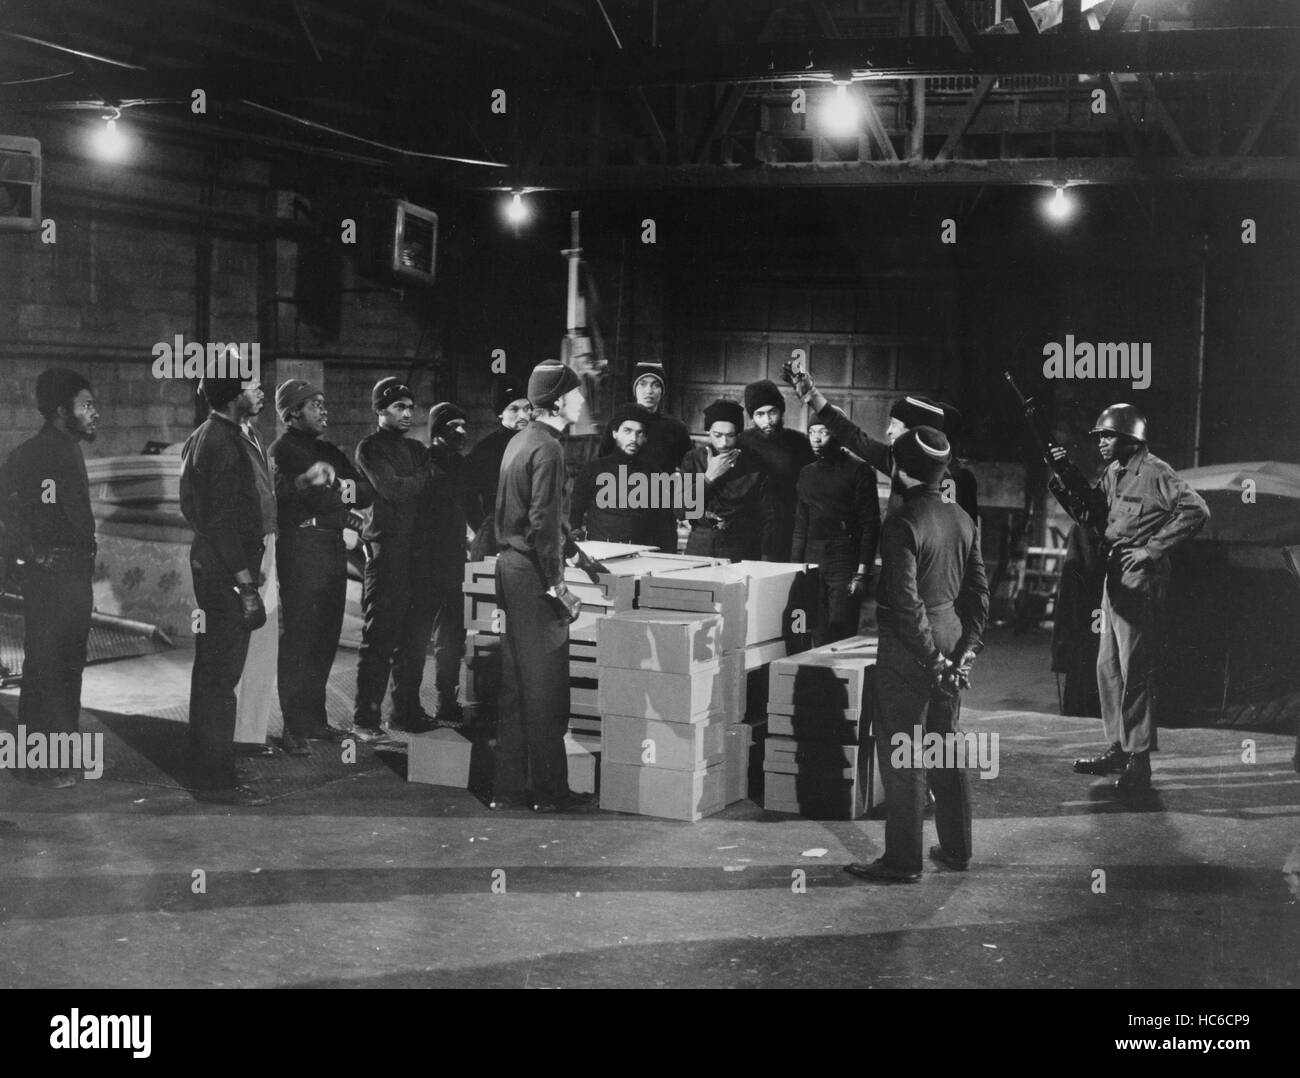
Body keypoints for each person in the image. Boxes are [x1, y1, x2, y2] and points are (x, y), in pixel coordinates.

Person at [844, 428, 988, 883]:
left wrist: (932, 660)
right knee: (944, 746)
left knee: (904, 752)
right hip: (949, 636)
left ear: (899, 470)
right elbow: (980, 596)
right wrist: (962, 655)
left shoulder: (902, 522)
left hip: (912, 651)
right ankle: (957, 849)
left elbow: (905, 604)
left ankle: (903, 861)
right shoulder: (962, 518)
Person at [1068, 404, 1208, 793]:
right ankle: (1118, 747)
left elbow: (1197, 510)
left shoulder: (1156, 472)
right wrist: (1068, 478)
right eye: (1099, 437)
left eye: (1108, 436)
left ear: (1131, 439)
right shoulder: (1113, 473)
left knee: (1135, 672)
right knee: (1108, 667)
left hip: (1140, 576)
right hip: (1114, 575)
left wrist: (1153, 549)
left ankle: (1139, 759)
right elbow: (1098, 515)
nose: (1101, 443)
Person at [490, 359, 592, 813]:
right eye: (577, 393)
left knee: (517, 686)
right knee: (546, 688)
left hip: (511, 568)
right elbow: (542, 524)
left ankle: (509, 789)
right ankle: (549, 793)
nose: (583, 400)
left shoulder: (520, 440)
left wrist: (574, 551)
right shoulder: (549, 449)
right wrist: (559, 586)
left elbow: (538, 519)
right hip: (533, 576)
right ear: (558, 401)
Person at [0, 368, 100, 789]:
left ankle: (53, 756)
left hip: (72, 576)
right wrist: (32, 553)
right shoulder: (42, 453)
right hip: (54, 579)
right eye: (86, 405)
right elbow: (17, 506)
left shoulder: (65, 448)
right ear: (62, 410)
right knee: (48, 669)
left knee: (65, 668)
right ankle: (39, 764)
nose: (95, 413)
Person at [180, 373, 275, 806]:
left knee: (212, 671)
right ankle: (216, 781)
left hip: (217, 563)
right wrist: (245, 585)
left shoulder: (214, 435)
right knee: (221, 676)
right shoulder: (220, 441)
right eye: (253, 387)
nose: (259, 393)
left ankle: (206, 766)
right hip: (225, 570)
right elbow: (219, 519)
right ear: (235, 396)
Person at [269, 379, 374, 755]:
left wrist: (336, 489)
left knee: (326, 636)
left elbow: (365, 489)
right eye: (314, 404)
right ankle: (293, 727)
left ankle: (315, 720)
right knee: (300, 637)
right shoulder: (282, 450)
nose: (324, 410)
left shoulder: (327, 449)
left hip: (330, 547)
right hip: (301, 548)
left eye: (323, 403)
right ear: (293, 412)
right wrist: (323, 488)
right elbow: (283, 493)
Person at [353, 377, 438, 740]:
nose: (407, 413)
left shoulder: (416, 450)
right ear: (380, 411)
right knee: (380, 637)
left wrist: (413, 480)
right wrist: (420, 478)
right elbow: (392, 489)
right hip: (386, 553)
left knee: (415, 638)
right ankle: (364, 720)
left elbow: (420, 487)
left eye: (409, 407)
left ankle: (405, 712)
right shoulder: (369, 448)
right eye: (398, 407)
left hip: (416, 554)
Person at [791, 419, 881, 645]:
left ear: (838, 434)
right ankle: (818, 678)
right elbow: (801, 525)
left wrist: (862, 572)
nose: (816, 438)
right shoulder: (806, 473)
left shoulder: (860, 470)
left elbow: (870, 524)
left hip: (843, 555)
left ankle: (839, 679)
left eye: (824, 431)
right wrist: (793, 569)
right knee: (815, 628)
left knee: (840, 628)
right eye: (812, 432)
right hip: (812, 557)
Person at [598, 362, 692, 552]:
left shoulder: (675, 427)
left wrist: (685, 510)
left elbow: (687, 470)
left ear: (662, 390)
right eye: (643, 384)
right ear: (634, 388)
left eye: (655, 384)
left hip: (660, 512)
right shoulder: (618, 424)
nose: (649, 390)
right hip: (623, 510)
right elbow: (602, 465)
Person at [422, 402, 476, 727]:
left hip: (455, 559)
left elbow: (471, 508)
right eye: (452, 425)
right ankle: (407, 705)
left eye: (462, 425)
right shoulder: (425, 462)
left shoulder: (463, 465)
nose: (460, 431)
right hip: (427, 559)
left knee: (452, 632)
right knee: (417, 634)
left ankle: (446, 699)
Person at [679, 399, 769, 562]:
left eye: (730, 436)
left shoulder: (754, 462)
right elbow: (680, 510)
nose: (724, 443)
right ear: (708, 431)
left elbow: (764, 516)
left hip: (742, 548)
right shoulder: (693, 459)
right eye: (717, 435)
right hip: (701, 545)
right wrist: (709, 477)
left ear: (738, 433)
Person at [737, 379, 813, 561]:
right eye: (760, 414)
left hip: (787, 528)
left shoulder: (800, 443)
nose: (768, 420)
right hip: (748, 531)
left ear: (781, 411)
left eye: (773, 412)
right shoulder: (740, 443)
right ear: (752, 417)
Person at [569, 403, 662, 547]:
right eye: (627, 431)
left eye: (640, 433)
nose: (633, 438)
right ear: (615, 433)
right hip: (600, 551)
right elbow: (575, 512)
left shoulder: (654, 472)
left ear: (645, 437)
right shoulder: (593, 469)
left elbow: (660, 522)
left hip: (641, 554)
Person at [467, 377, 531, 562]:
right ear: (500, 413)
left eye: (527, 408)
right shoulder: (485, 449)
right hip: (496, 536)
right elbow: (468, 496)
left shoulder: (538, 444)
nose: (523, 415)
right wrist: (485, 528)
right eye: (514, 409)